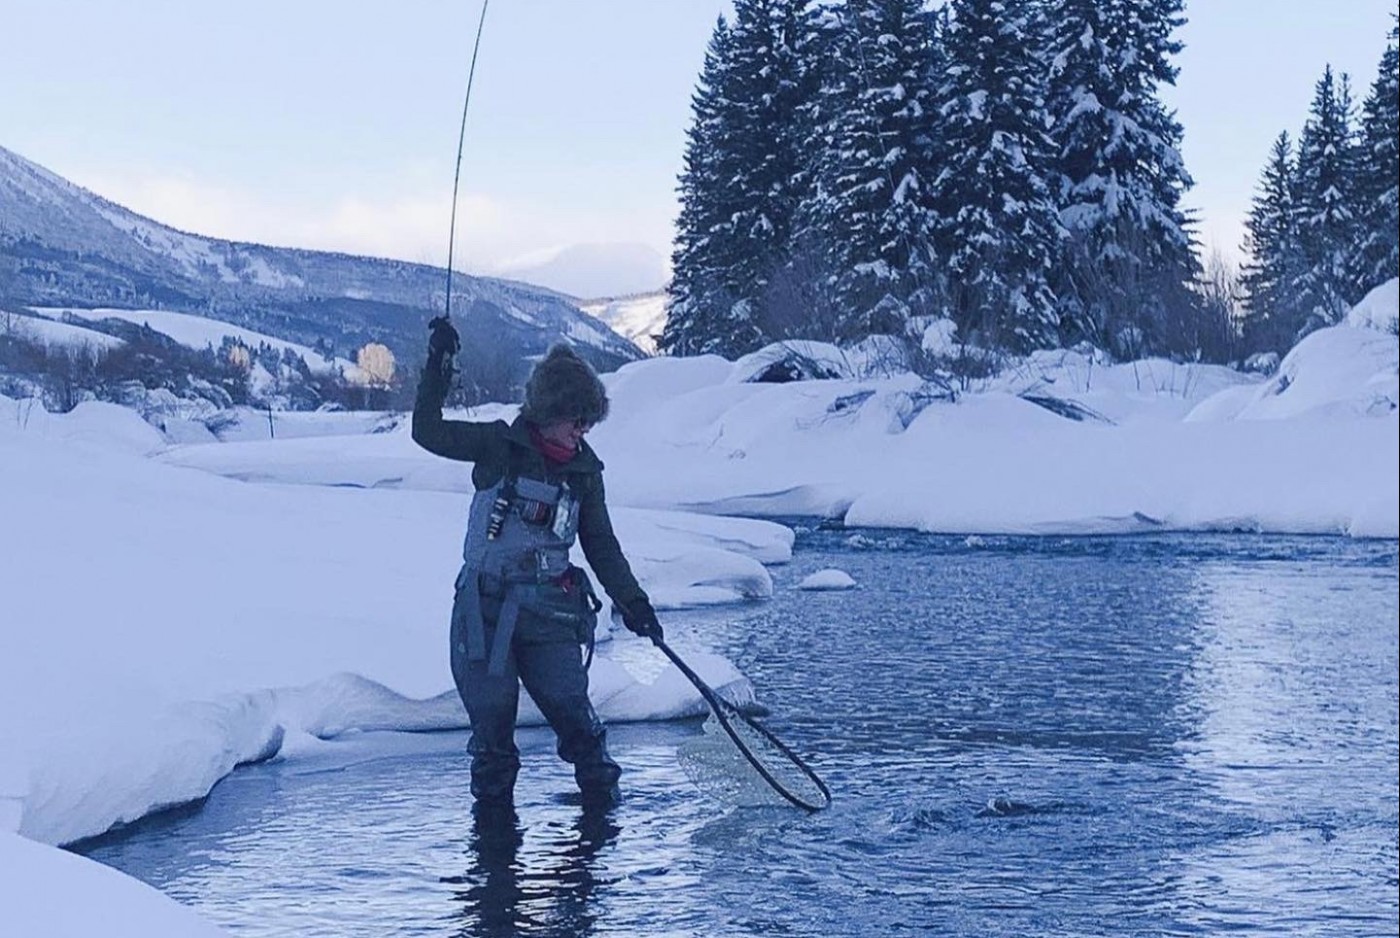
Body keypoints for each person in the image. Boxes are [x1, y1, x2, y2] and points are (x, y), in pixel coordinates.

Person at [412, 316, 662, 808]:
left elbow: (601, 545)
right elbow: (427, 431)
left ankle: (599, 844)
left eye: (590, 422)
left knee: (578, 721)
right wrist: (438, 364)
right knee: (493, 737)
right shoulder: (496, 446)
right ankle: (494, 866)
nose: (584, 431)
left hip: (551, 613)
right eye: (577, 420)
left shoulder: (585, 472)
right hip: (483, 613)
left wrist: (634, 604)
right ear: (550, 412)